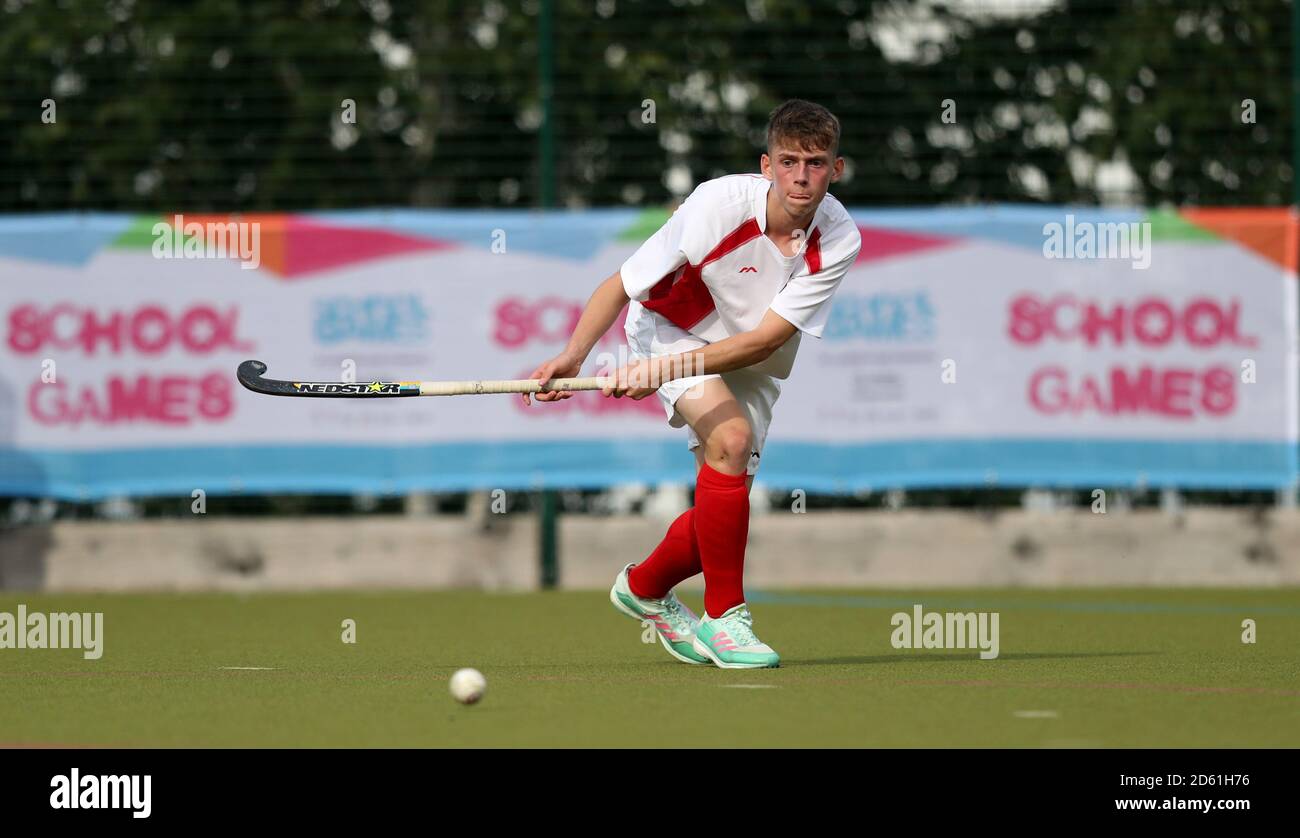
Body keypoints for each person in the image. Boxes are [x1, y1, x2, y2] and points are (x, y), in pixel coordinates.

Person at [523, 99, 862, 668]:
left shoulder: (839, 237)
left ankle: (644, 588)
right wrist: (573, 355)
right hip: (671, 330)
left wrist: (660, 376)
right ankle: (726, 620)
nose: (801, 177)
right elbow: (620, 284)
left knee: (723, 509)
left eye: (816, 163)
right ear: (766, 165)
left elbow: (764, 342)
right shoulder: (715, 206)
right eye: (788, 161)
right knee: (729, 441)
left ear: (837, 169)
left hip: (751, 353)